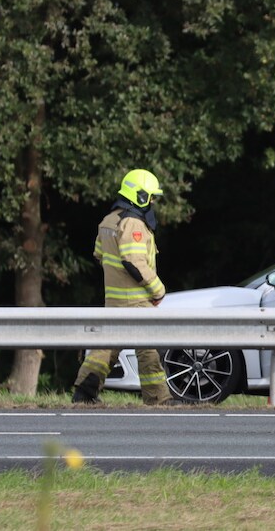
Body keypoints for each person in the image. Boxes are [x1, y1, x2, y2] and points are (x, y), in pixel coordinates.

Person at [71, 169, 175, 405]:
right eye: (151, 196)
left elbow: (99, 254)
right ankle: (158, 399)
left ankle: (84, 393)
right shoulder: (133, 223)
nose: (154, 201)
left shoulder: (109, 220)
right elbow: (133, 261)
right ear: (140, 196)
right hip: (137, 299)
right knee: (148, 349)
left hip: (114, 299)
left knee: (106, 348)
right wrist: (158, 290)